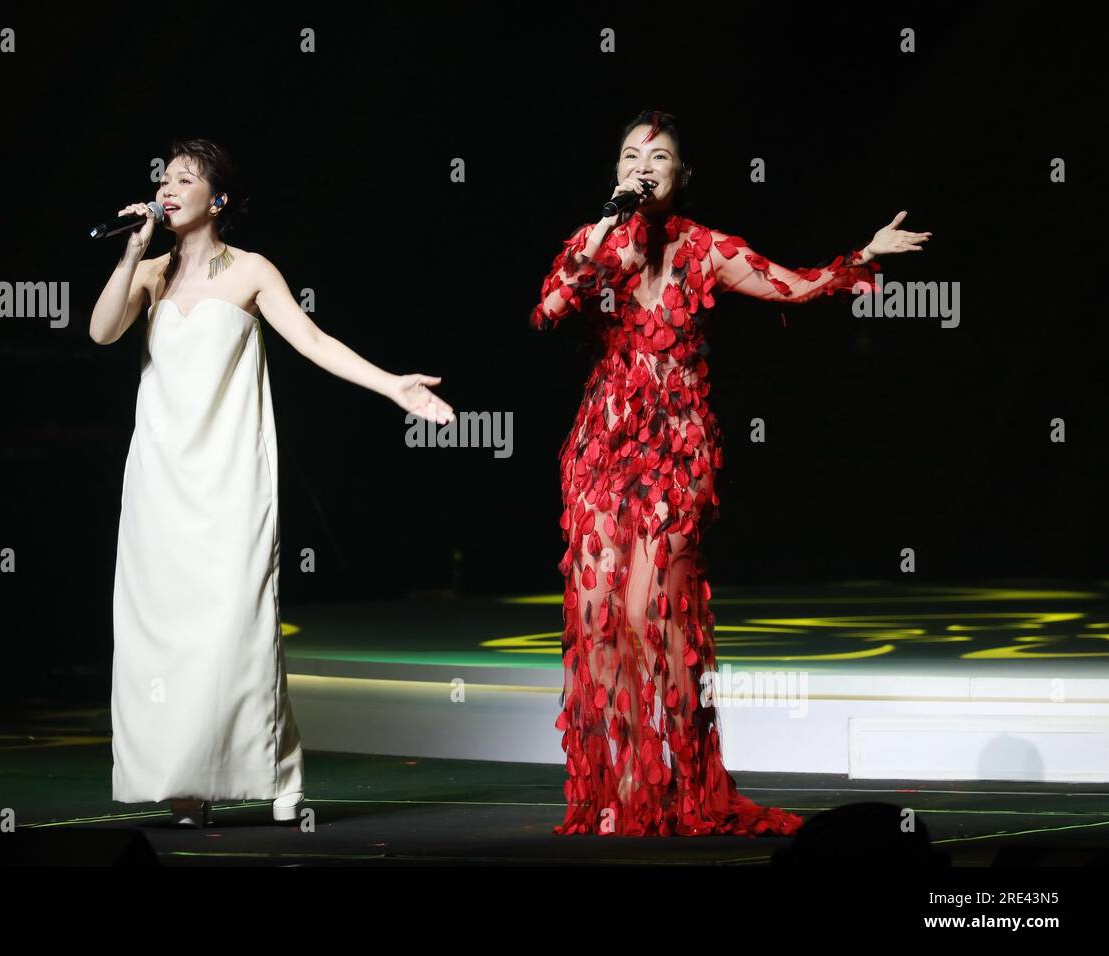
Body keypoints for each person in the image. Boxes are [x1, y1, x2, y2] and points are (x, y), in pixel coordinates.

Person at [531, 110, 929, 836]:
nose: (642, 167)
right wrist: (597, 234)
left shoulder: (705, 249)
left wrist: (861, 256)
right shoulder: (596, 249)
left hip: (675, 456)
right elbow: (548, 311)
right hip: (599, 452)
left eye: (659, 157)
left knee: (657, 617)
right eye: (629, 156)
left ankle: (685, 788)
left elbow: (797, 289)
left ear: (682, 176)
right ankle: (619, 785)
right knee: (600, 619)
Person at [91, 138, 453, 828]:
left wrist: (392, 385)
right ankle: (184, 787)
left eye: (185, 179)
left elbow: (314, 344)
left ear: (217, 199)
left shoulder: (252, 272)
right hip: (159, 485)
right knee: (163, 637)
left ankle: (278, 769)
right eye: (163, 180)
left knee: (236, 628)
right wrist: (132, 249)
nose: (168, 190)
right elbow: (103, 331)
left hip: (228, 480)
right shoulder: (152, 273)